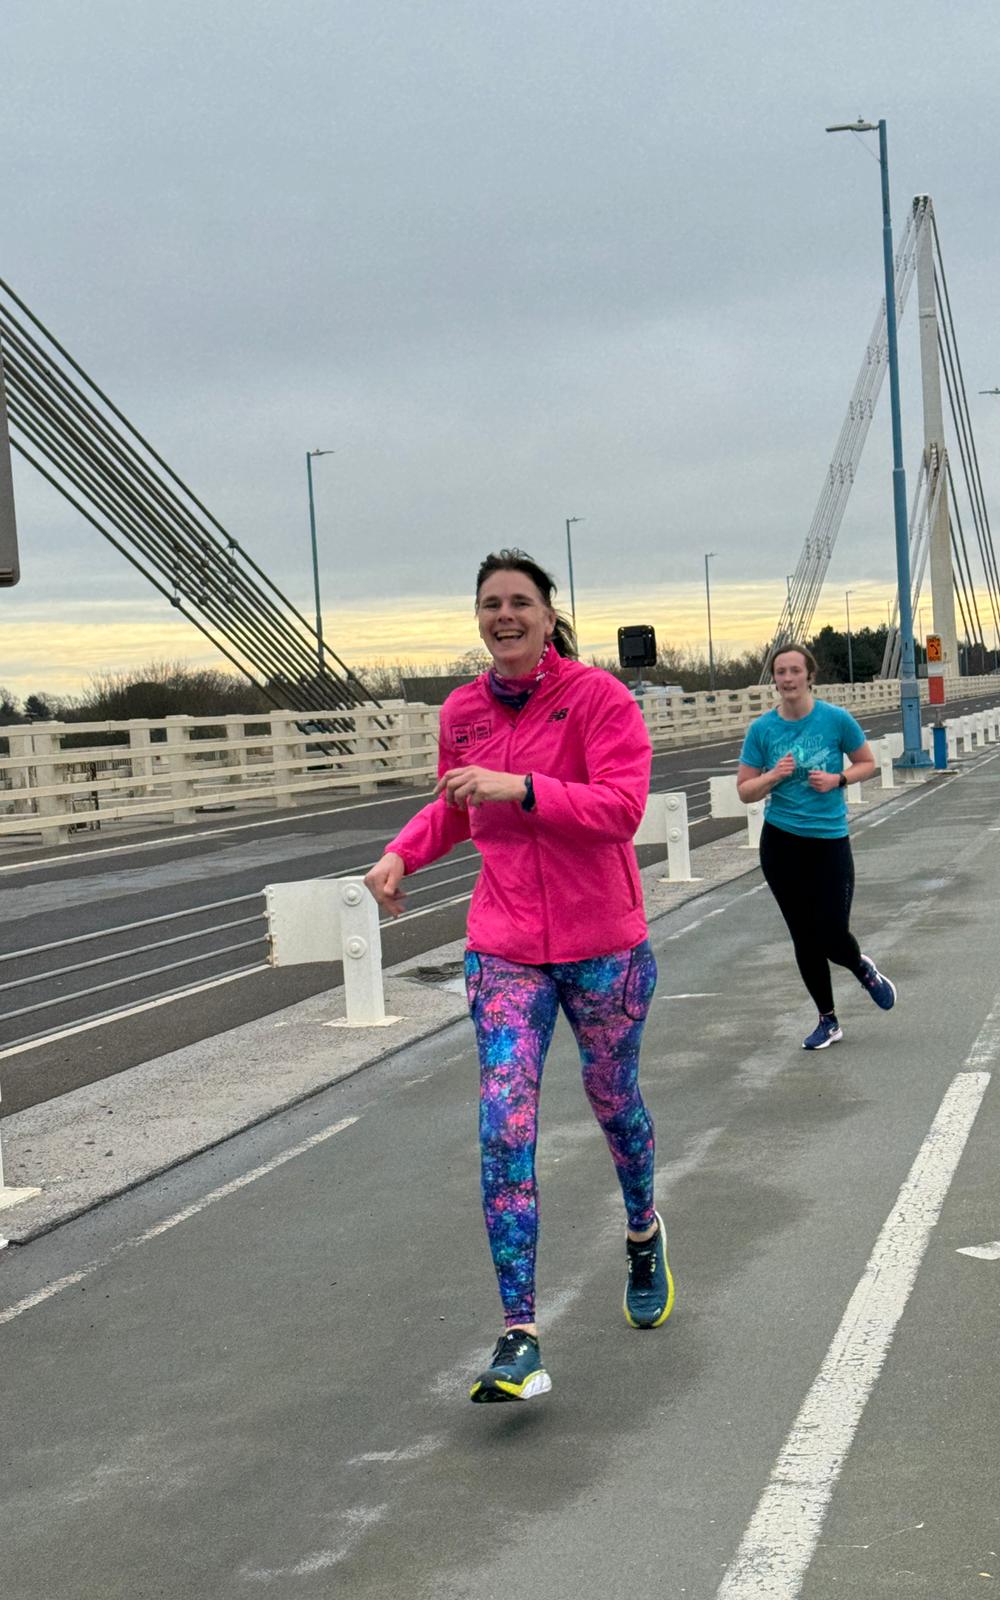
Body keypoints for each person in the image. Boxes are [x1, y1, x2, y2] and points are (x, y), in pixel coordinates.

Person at [364, 549, 672, 1405]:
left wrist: (523, 786)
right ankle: (519, 1335)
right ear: (479, 618)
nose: (505, 616)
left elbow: (621, 810)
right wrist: (402, 853)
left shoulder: (597, 699)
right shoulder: (461, 709)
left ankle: (642, 1230)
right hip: (503, 949)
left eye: (520, 603)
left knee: (616, 1103)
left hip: (603, 944)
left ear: (547, 614)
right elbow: (458, 804)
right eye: (491, 604)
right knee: (504, 1124)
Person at [736, 642, 896, 1052]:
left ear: (810, 675)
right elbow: (745, 791)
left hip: (828, 841)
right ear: (774, 679)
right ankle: (828, 1020)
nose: (787, 679)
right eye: (780, 672)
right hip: (782, 843)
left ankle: (861, 968)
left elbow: (867, 762)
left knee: (831, 933)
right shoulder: (763, 730)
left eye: (794, 671)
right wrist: (773, 776)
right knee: (804, 937)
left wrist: (838, 779)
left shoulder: (835, 720)